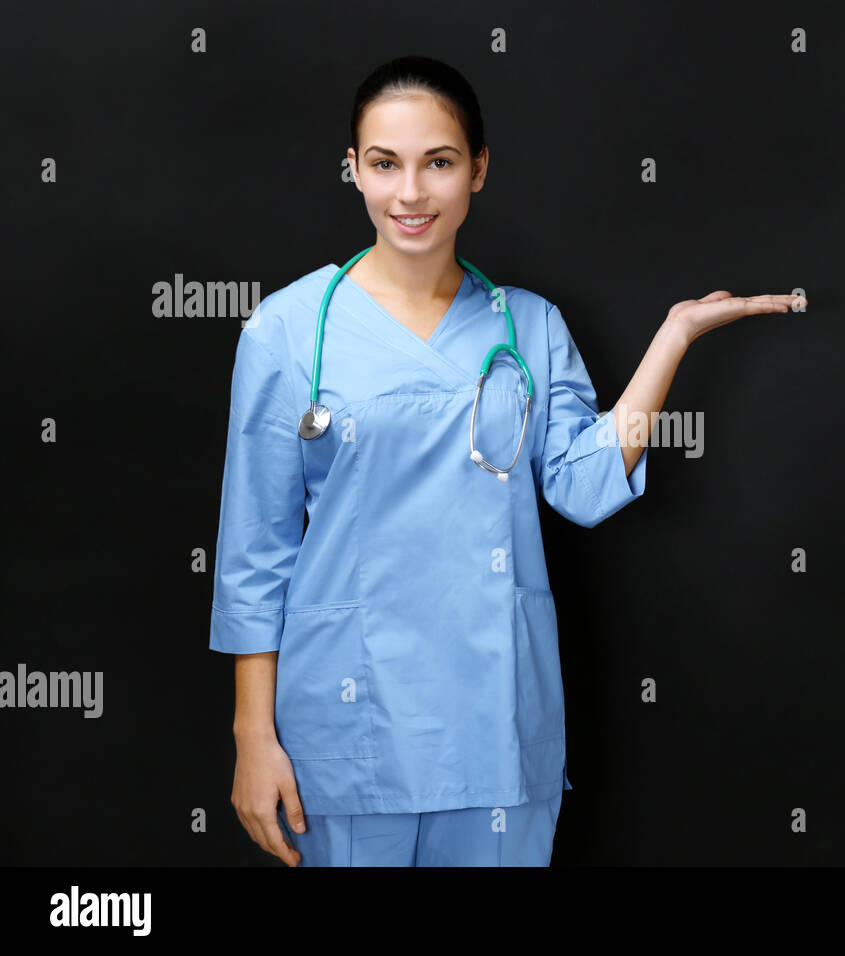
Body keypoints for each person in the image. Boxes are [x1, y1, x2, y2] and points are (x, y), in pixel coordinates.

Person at [210, 55, 808, 867]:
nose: (410, 193)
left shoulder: (527, 327)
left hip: (493, 722)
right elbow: (255, 554)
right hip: (346, 728)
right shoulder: (285, 330)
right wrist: (253, 737)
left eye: (439, 162)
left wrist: (673, 339)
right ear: (352, 169)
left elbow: (585, 486)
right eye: (384, 164)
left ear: (479, 169)